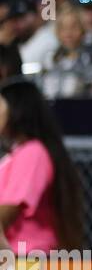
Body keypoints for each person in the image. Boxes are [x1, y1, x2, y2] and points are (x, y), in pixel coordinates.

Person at [0, 78, 86, 258]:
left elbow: (7, 213)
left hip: (27, 264)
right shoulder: (17, 154)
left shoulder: (33, 153)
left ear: (17, 111)